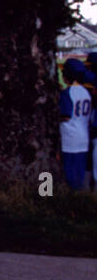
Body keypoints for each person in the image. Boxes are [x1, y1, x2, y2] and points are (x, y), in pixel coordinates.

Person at [59, 59, 93, 191]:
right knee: (79, 172)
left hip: (69, 139)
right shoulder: (86, 92)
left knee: (69, 174)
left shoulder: (67, 93)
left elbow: (65, 116)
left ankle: (69, 200)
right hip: (83, 137)